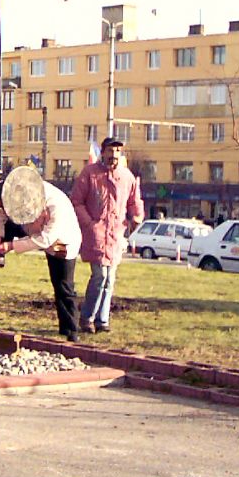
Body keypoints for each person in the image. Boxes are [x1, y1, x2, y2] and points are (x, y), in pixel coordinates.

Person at [0, 166, 84, 342]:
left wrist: (11, 245)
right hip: (33, 228)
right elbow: (2, 213)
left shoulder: (58, 206)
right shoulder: (21, 192)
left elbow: (46, 240)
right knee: (11, 227)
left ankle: (71, 330)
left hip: (61, 244)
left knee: (63, 285)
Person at [69, 136, 144, 334]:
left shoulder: (126, 176)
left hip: (115, 234)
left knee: (110, 278)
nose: (114, 155)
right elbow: (76, 201)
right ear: (103, 152)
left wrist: (136, 217)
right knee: (100, 276)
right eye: (110, 151)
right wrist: (90, 224)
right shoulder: (90, 173)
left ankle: (102, 320)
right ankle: (87, 318)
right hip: (96, 234)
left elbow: (134, 201)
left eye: (118, 151)